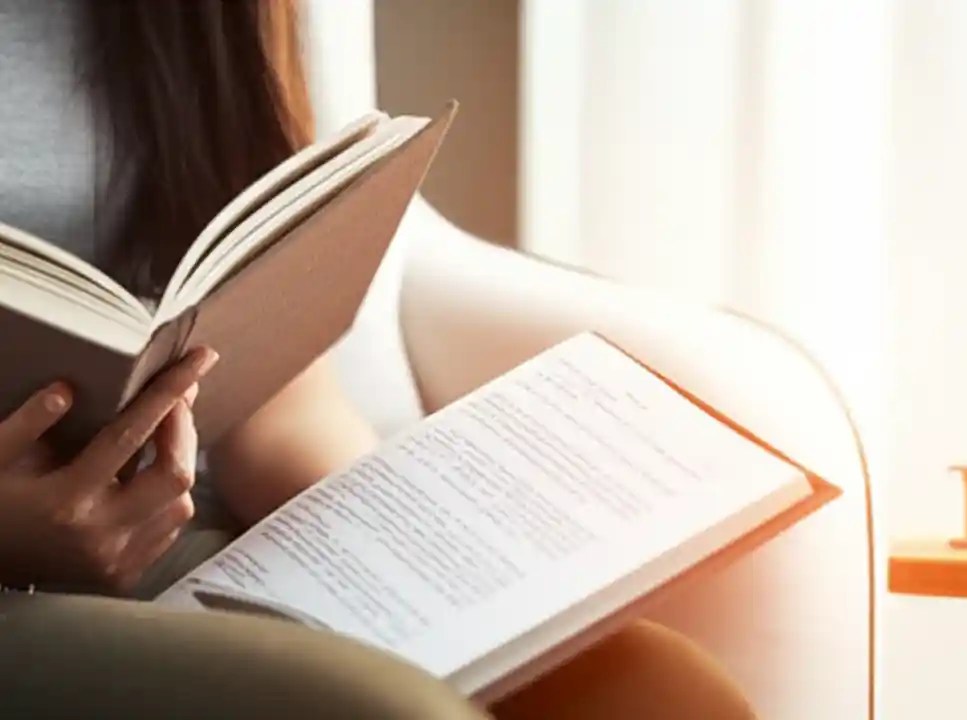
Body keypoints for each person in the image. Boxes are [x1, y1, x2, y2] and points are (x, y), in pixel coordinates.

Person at [0, 2, 756, 718]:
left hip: (171, 538)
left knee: (661, 691)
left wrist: (425, 549)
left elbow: (275, 406)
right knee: (395, 710)